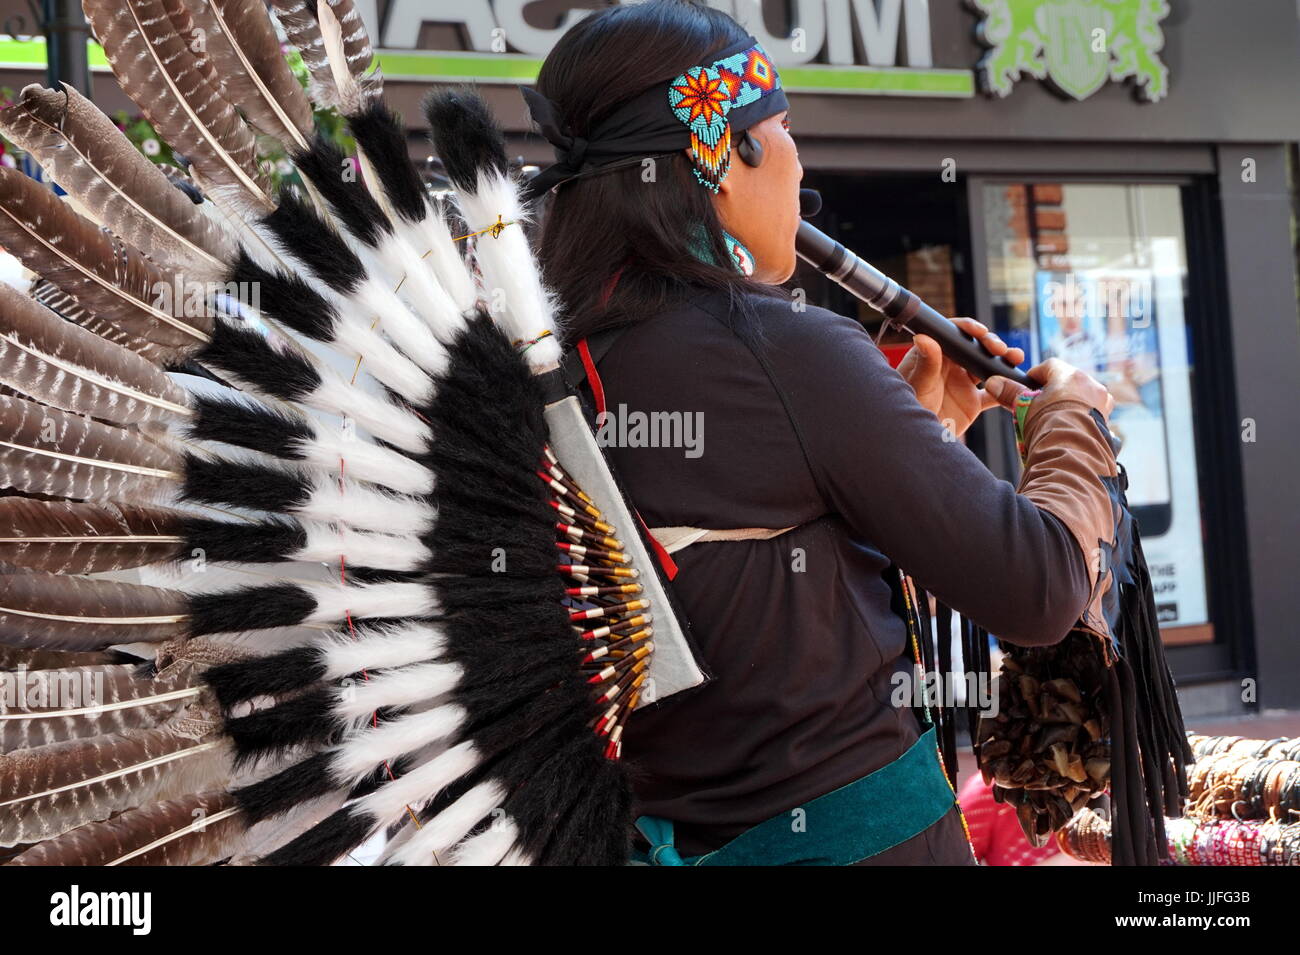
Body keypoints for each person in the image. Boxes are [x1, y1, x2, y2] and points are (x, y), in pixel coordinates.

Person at [524, 0, 1121, 865]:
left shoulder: (557, 373)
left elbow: (760, 582)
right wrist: (1072, 418)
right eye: (786, 129)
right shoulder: (778, 348)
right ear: (725, 158)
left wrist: (918, 425)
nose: (800, 165)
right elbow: (1040, 586)